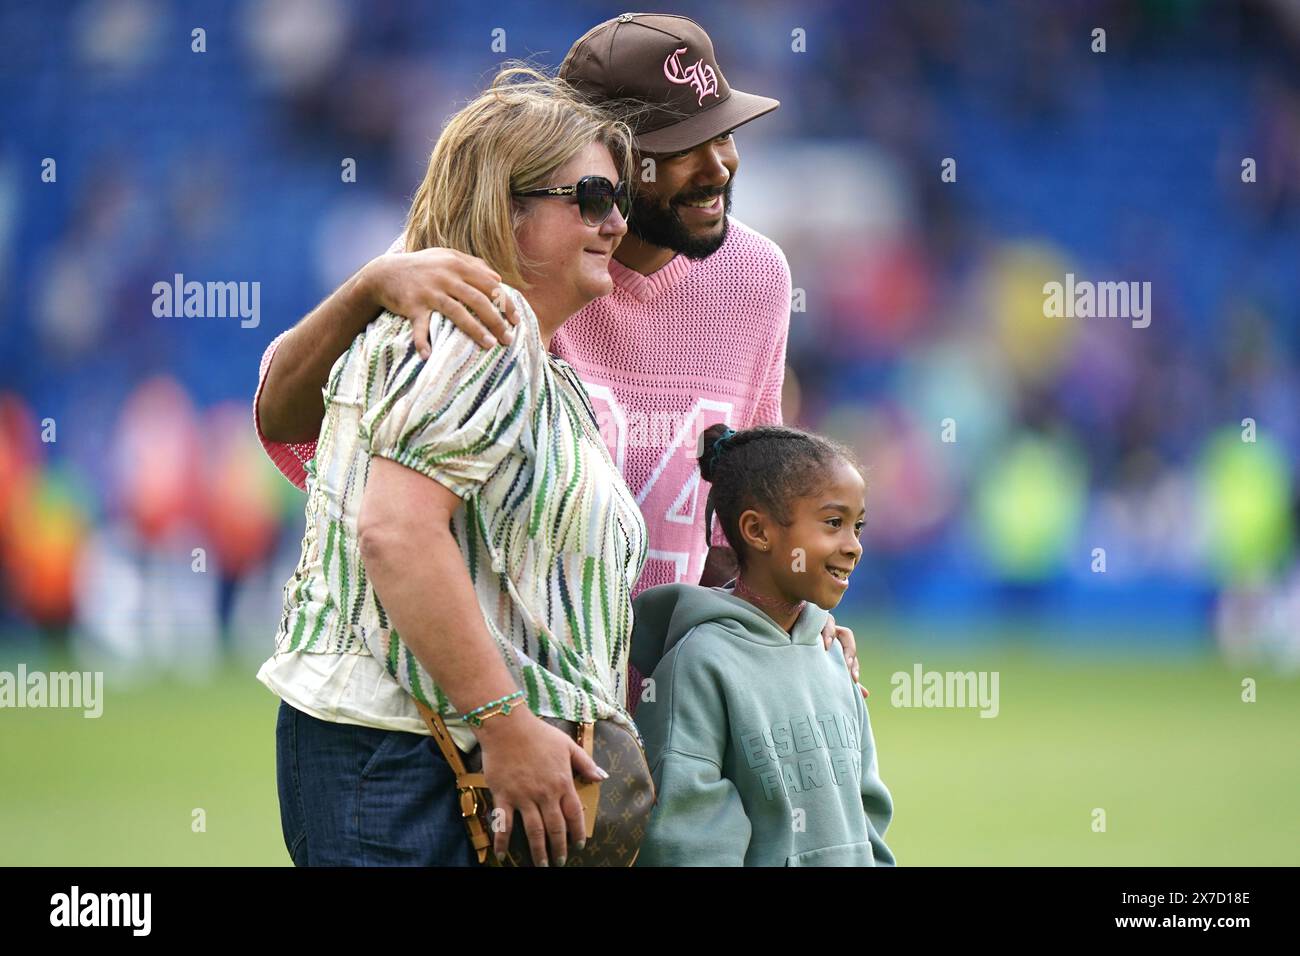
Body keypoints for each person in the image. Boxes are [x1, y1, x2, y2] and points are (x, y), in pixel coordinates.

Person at [249, 14, 863, 694]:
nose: (720, 165)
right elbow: (285, 415)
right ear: (606, 155)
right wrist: (369, 286)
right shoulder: (494, 258)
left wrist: (795, 621)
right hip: (499, 709)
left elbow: (736, 519)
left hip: (656, 708)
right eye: (685, 144)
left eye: (724, 133)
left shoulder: (757, 277)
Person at [260, 66, 646, 868]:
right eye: (593, 199)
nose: (614, 225)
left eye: (621, 203)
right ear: (507, 208)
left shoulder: (449, 330)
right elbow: (396, 533)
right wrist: (505, 722)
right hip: (410, 761)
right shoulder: (485, 329)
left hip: (396, 756)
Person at [630, 424, 896, 866]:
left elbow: (866, 813)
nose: (853, 547)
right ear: (757, 531)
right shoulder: (700, 663)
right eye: (834, 523)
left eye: (858, 527)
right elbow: (686, 840)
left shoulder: (832, 655)